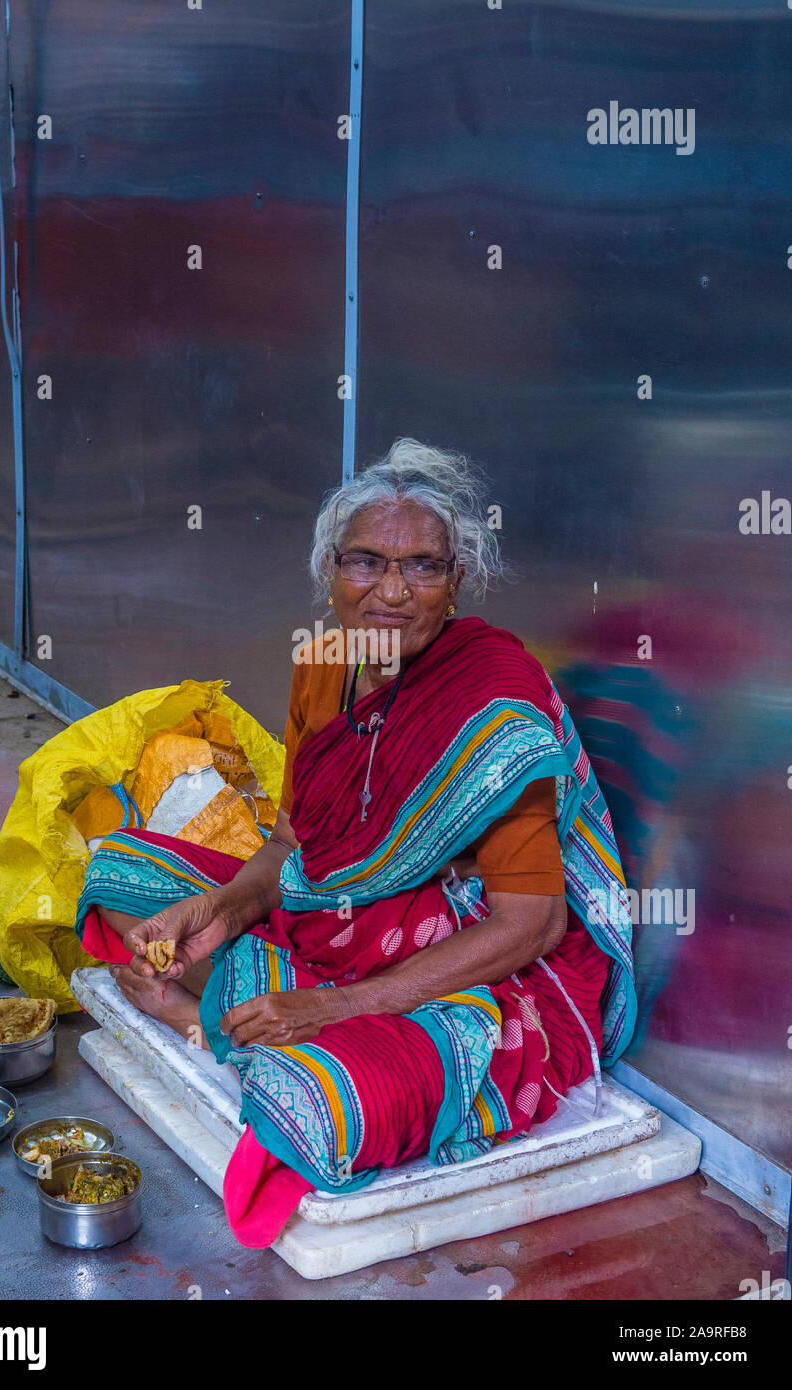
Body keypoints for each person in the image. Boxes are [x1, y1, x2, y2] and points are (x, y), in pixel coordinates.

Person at [73, 437, 635, 1245]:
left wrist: (333, 1007)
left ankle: (213, 1015)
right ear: (329, 574)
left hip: (467, 965)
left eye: (423, 567)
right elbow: (288, 850)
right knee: (119, 873)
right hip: (327, 918)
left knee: (323, 1106)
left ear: (457, 583)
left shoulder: (494, 702)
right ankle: (230, 1004)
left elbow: (533, 926)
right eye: (366, 563)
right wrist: (222, 911)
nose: (392, 593)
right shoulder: (323, 663)